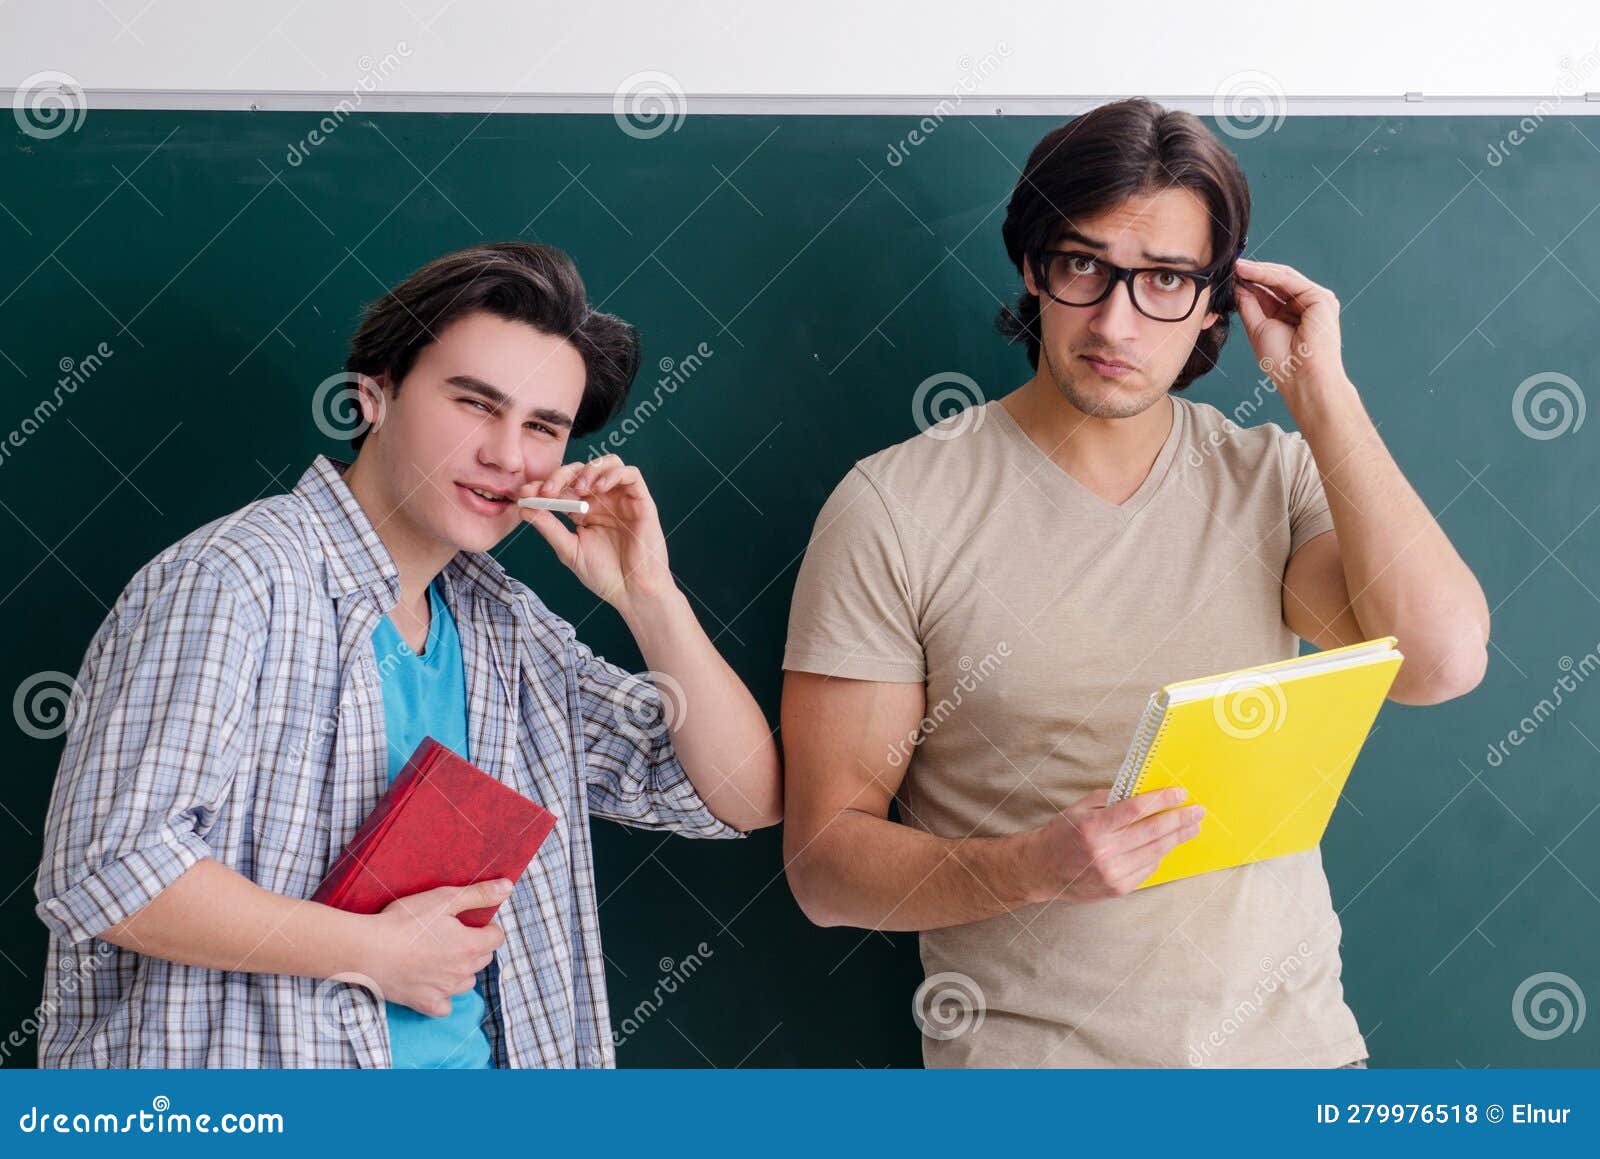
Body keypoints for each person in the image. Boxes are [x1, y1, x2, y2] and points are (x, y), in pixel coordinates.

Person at [781, 98, 1488, 1068]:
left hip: (1296, 1070)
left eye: (1162, 279)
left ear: (1213, 299)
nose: (1116, 320)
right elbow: (825, 865)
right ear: (1033, 266)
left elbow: (1441, 662)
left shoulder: (1270, 481)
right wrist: (1036, 867)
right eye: (1083, 266)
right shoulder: (894, 508)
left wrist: (1322, 394)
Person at [35, 241, 781, 1068]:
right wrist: (369, 949)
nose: (507, 454)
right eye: (474, 404)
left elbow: (740, 794)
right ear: (375, 395)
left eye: (542, 426)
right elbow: (109, 870)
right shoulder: (238, 579)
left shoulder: (506, 628)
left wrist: (651, 597)